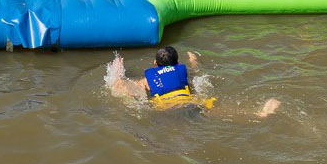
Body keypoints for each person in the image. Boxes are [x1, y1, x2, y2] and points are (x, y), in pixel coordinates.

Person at [107, 47, 279, 118]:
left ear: (154, 63)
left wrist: (118, 72)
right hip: (191, 101)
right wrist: (194, 60)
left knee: (120, 87)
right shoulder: (183, 72)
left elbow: (129, 87)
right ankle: (259, 113)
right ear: (176, 63)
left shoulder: (147, 79)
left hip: (167, 107)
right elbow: (197, 72)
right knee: (217, 112)